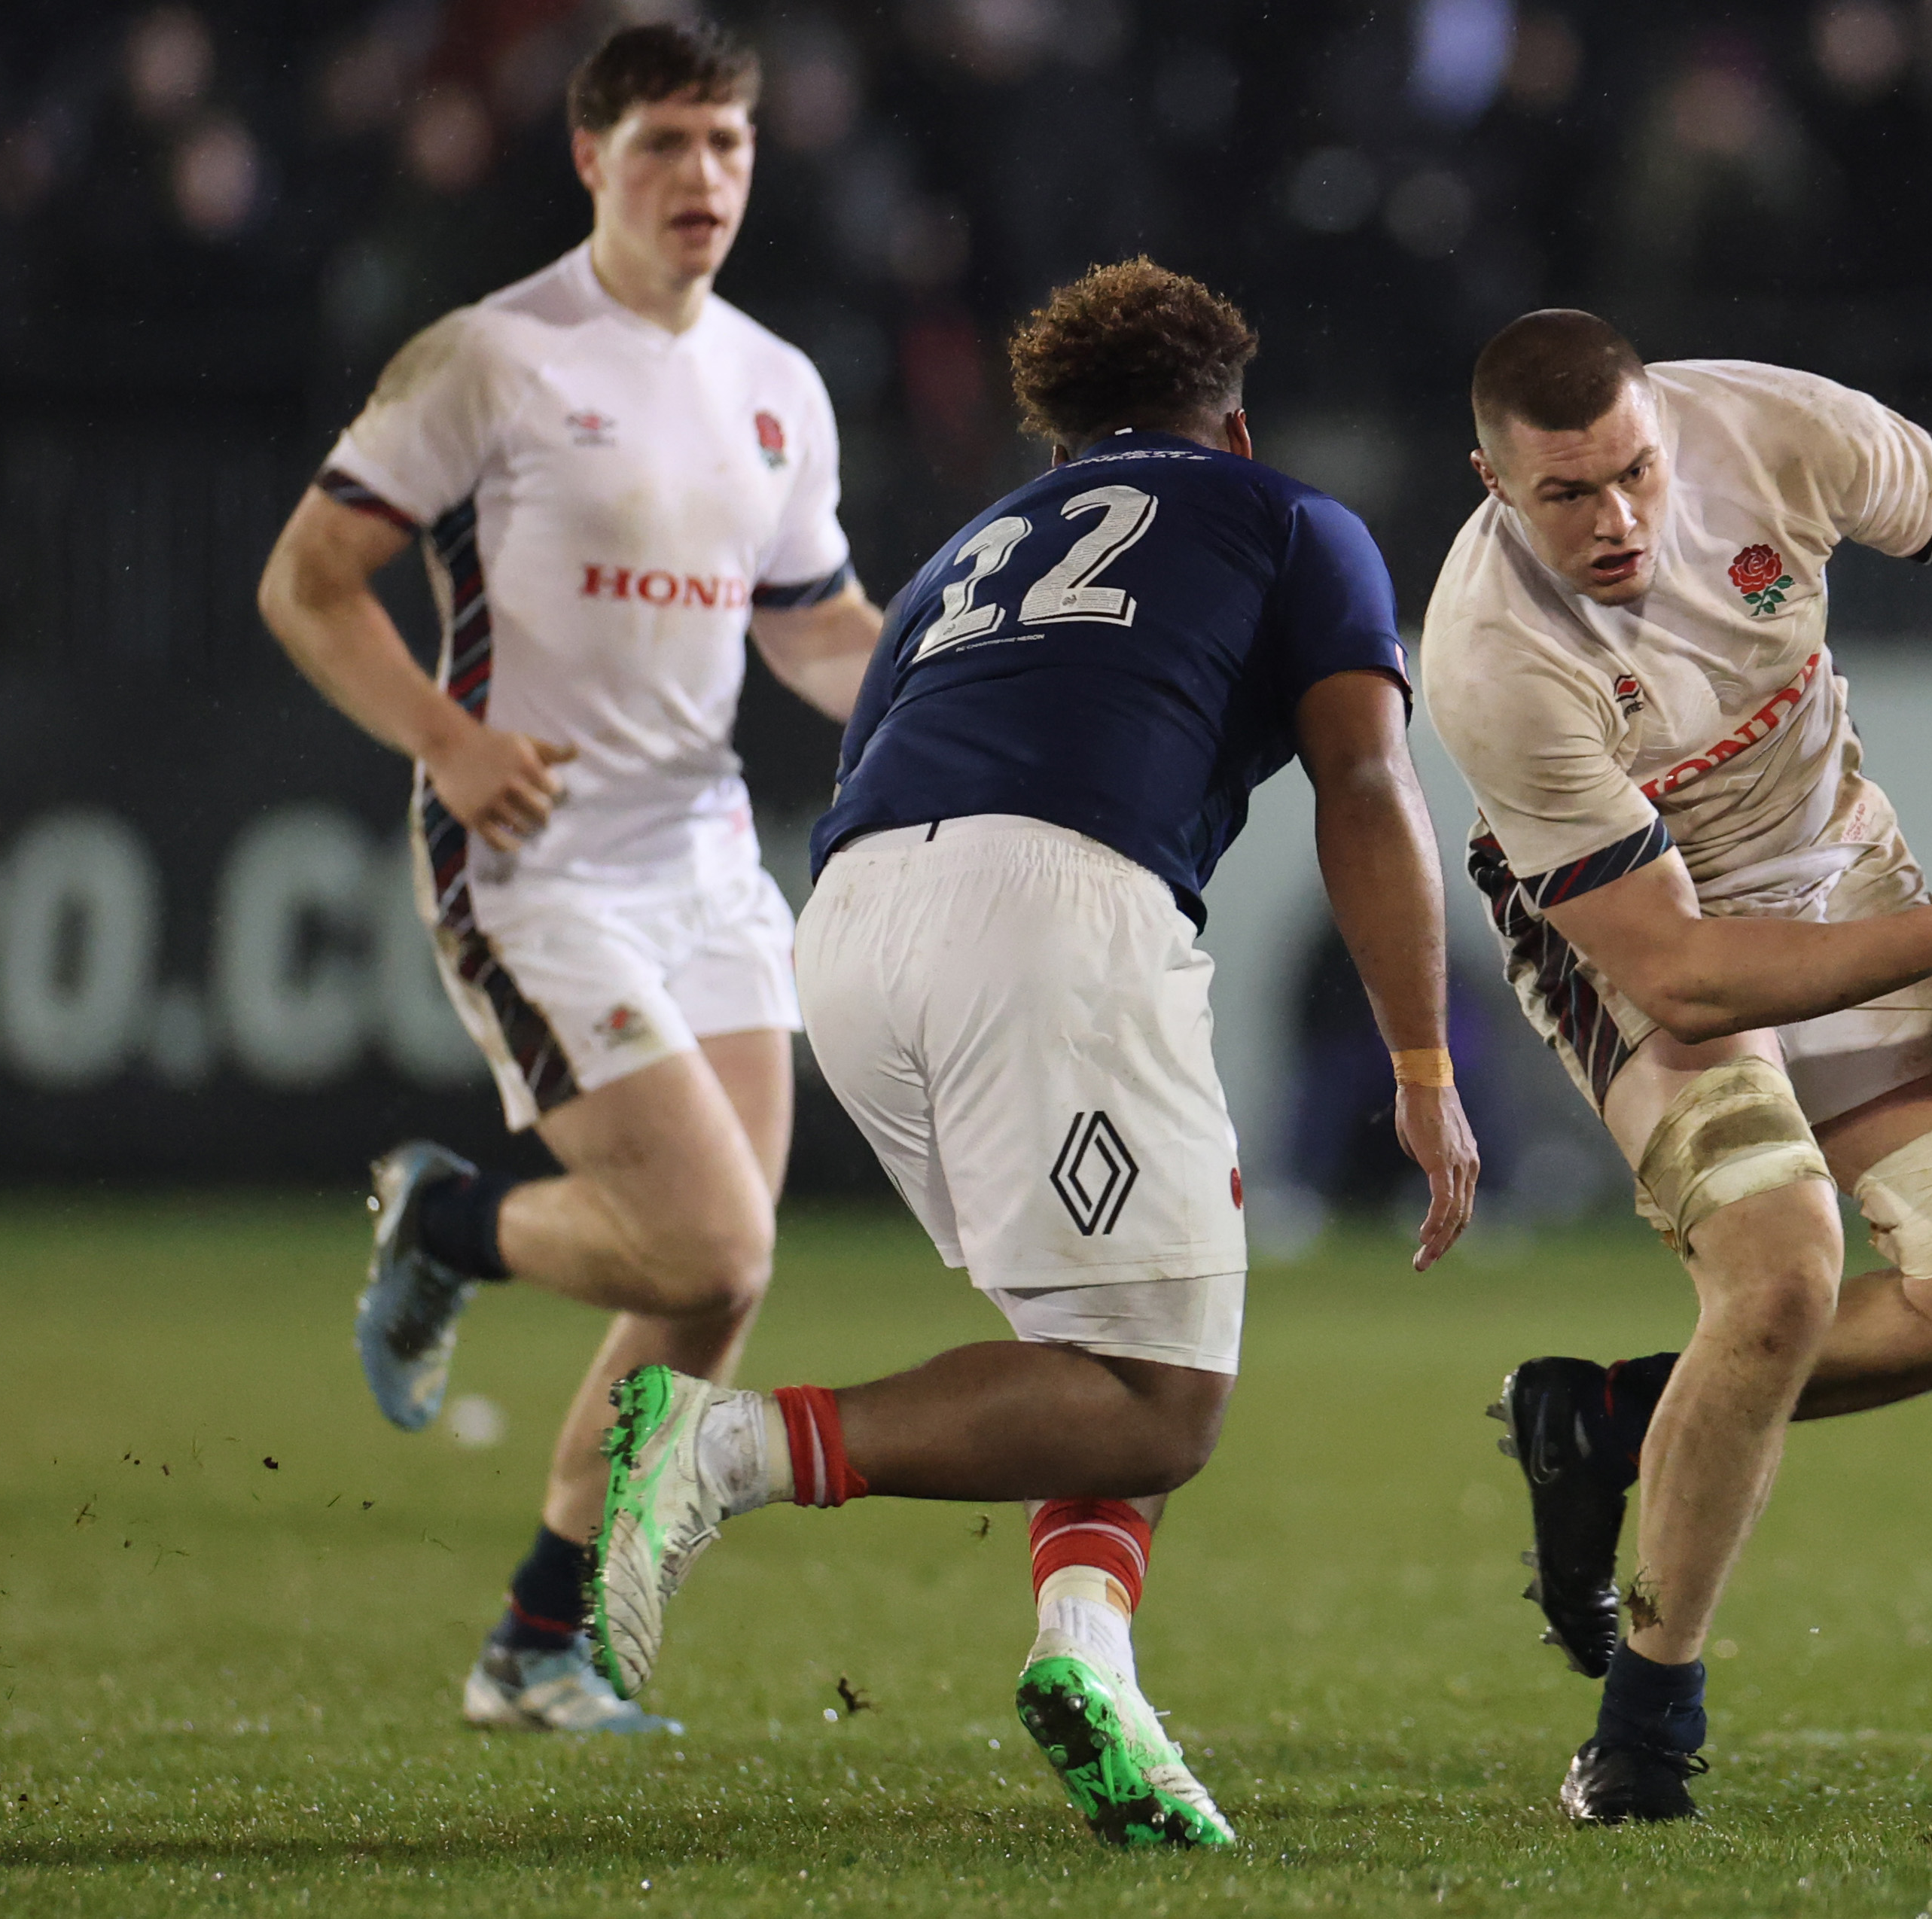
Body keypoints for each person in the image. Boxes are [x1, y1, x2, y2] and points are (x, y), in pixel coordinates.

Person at [583, 259, 1480, 1850]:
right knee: (1159, 1403)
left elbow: (875, 753)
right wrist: (1420, 1062)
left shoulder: (959, 556)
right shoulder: (1287, 518)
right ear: (1237, 424)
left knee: (1089, 1350)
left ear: (1057, 453)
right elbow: (1363, 780)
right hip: (1052, 913)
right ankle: (720, 1447)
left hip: (851, 929)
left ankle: (1092, 1663)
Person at [1422, 310, 1932, 1824]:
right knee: (1780, 1273)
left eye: (1632, 476)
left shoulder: (1778, 430)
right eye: (1565, 498)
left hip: (1836, 876)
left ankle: (1608, 1424)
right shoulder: (1488, 662)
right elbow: (1678, 969)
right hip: (1635, 947)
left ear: (1661, 420)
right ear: (1487, 482)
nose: (1615, 523)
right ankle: (1644, 1729)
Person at [254, 22, 881, 1736]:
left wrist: (945, 693)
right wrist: (445, 747)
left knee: (720, 1278)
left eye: (730, 146)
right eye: (669, 144)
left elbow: (813, 623)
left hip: (701, 855)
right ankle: (445, 1220)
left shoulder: (776, 383)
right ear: (591, 158)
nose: (705, 179)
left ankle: (535, 1642)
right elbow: (308, 582)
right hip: (529, 857)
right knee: (705, 1231)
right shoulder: (495, 356)